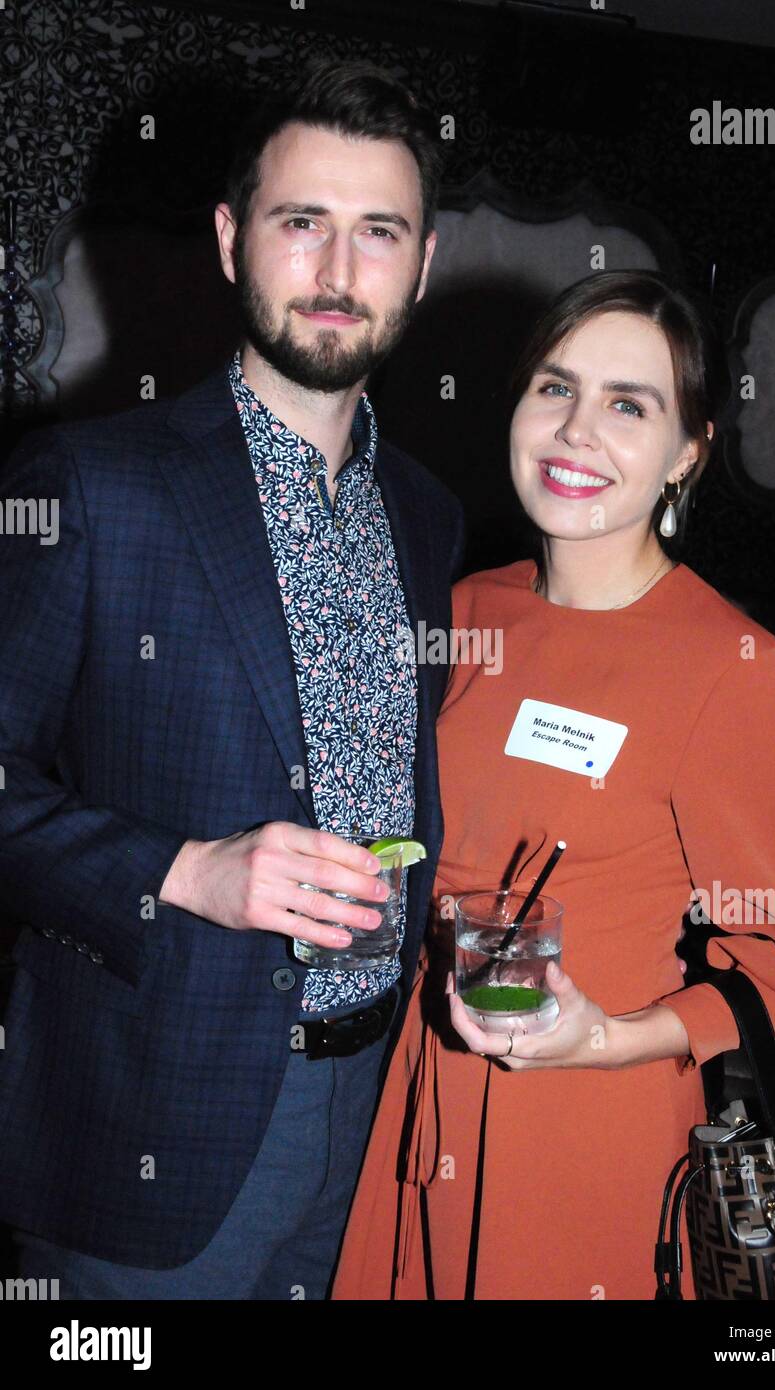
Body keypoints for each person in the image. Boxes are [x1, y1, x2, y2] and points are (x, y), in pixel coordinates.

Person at [0, 58, 465, 1299]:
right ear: (229, 239)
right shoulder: (91, 481)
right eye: (298, 222)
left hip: (370, 1103)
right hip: (151, 1117)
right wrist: (182, 870)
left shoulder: (427, 516)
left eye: (378, 232)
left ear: (421, 266)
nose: (334, 269)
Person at [332, 268, 775, 1300]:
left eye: (629, 405)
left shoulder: (734, 669)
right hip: (414, 1097)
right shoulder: (462, 609)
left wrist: (608, 1037)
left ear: (685, 452)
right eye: (554, 388)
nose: (578, 431)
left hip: (583, 1124)